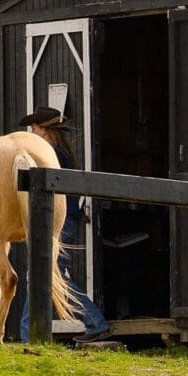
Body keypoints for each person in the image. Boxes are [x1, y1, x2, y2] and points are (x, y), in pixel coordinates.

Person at [18, 106, 112, 346]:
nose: (32, 133)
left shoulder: (53, 155)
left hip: (59, 221)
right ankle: (31, 331)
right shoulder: (61, 152)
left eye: (34, 129)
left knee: (48, 274)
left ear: (45, 131)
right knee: (50, 274)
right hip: (63, 219)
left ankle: (31, 332)